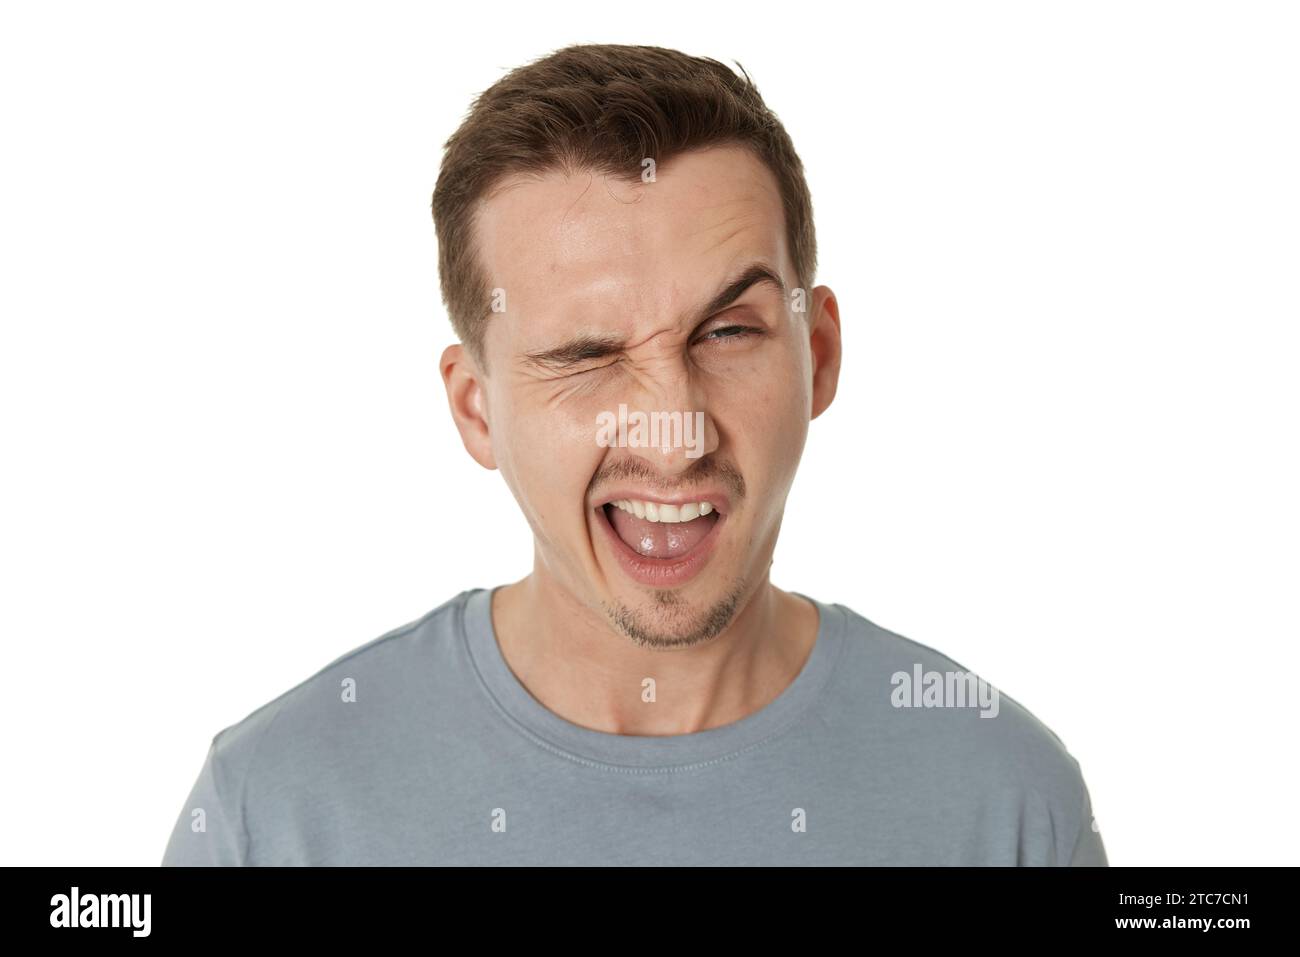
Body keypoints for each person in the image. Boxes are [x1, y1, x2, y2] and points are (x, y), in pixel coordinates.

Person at [163, 43, 1107, 866]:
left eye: (728, 332)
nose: (676, 429)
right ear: (475, 409)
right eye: (586, 354)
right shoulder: (272, 813)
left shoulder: (1006, 798)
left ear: (816, 354)